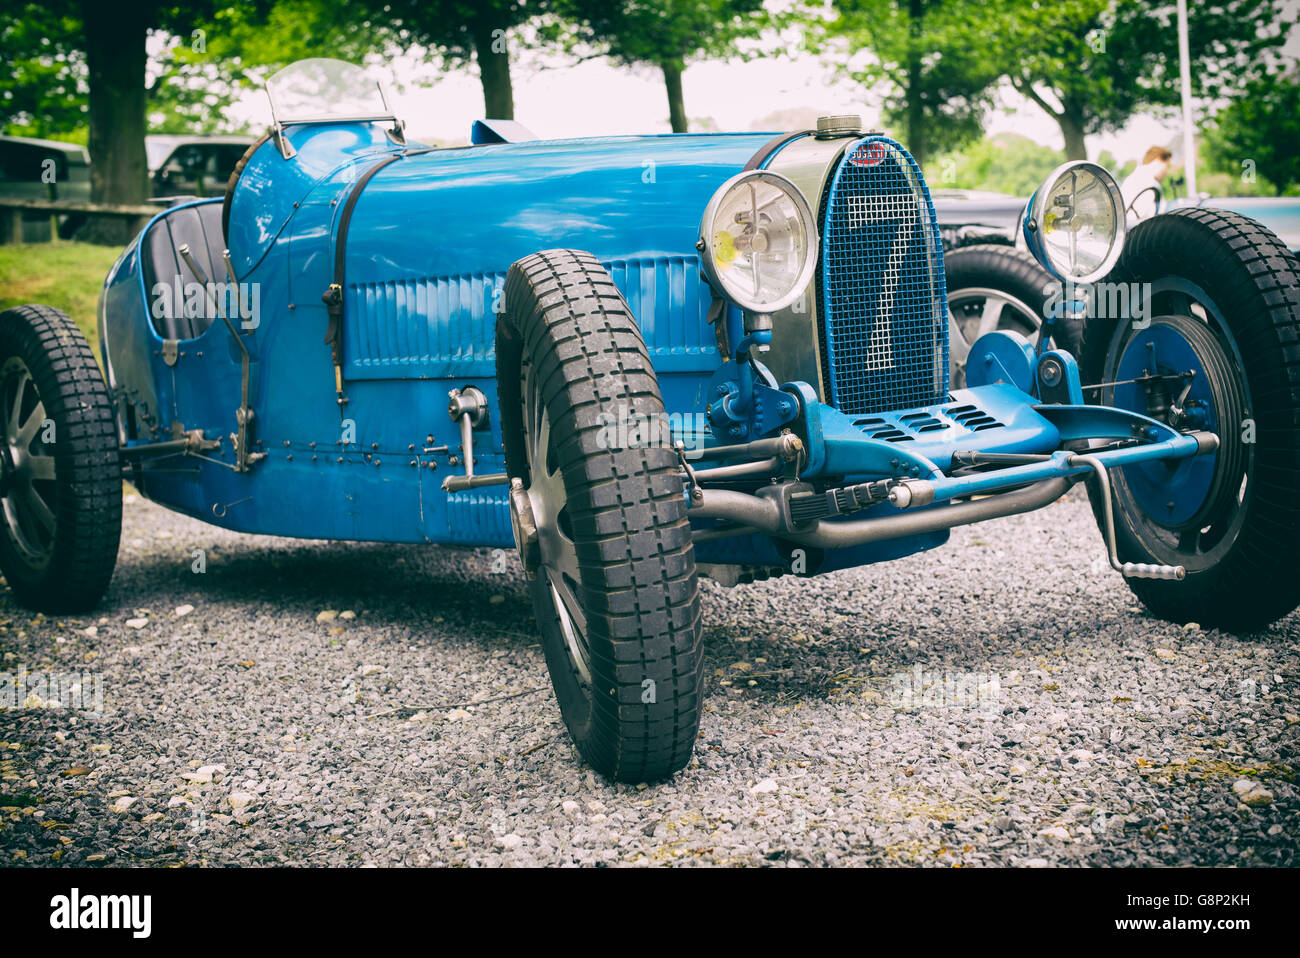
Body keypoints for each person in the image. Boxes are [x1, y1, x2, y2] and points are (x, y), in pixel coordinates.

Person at [1120, 146, 1172, 226]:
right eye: (1166, 166)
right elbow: (1156, 216)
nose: (1166, 172)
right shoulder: (1151, 183)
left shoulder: (1133, 177)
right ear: (1159, 160)